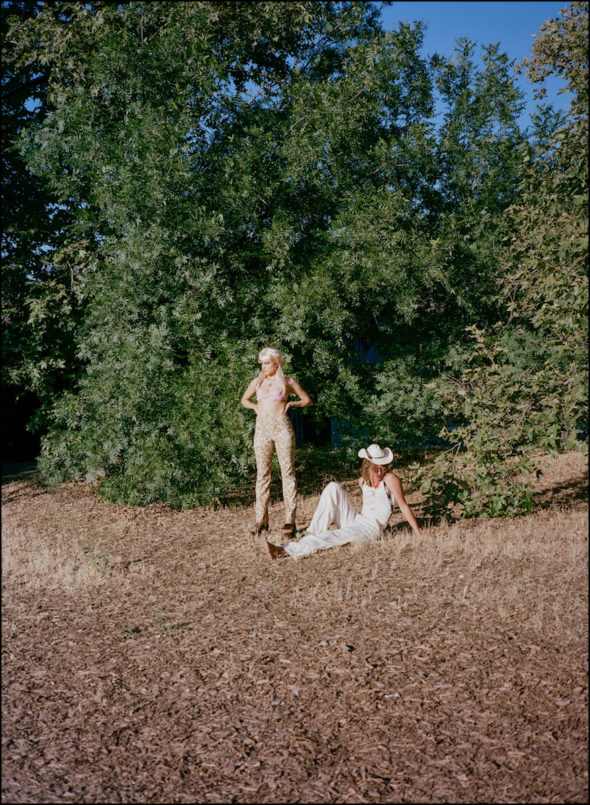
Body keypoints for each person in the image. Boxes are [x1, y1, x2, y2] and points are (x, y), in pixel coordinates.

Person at [264, 443, 422, 559]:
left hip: (371, 529)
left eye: (383, 467)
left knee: (334, 536)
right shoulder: (362, 481)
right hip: (357, 520)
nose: (380, 471)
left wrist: (419, 534)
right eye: (376, 468)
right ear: (368, 466)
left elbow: (404, 506)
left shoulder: (390, 479)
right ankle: (314, 532)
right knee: (333, 487)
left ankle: (286, 550)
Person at [241, 347, 312, 538]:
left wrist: (292, 404)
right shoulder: (257, 382)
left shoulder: (287, 382)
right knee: (262, 474)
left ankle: (290, 520)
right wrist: (255, 406)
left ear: (276, 363)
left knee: (287, 472)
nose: (264, 367)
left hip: (282, 428)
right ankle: (261, 520)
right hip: (262, 428)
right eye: (262, 363)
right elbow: (244, 400)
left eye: (267, 363)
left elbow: (307, 399)